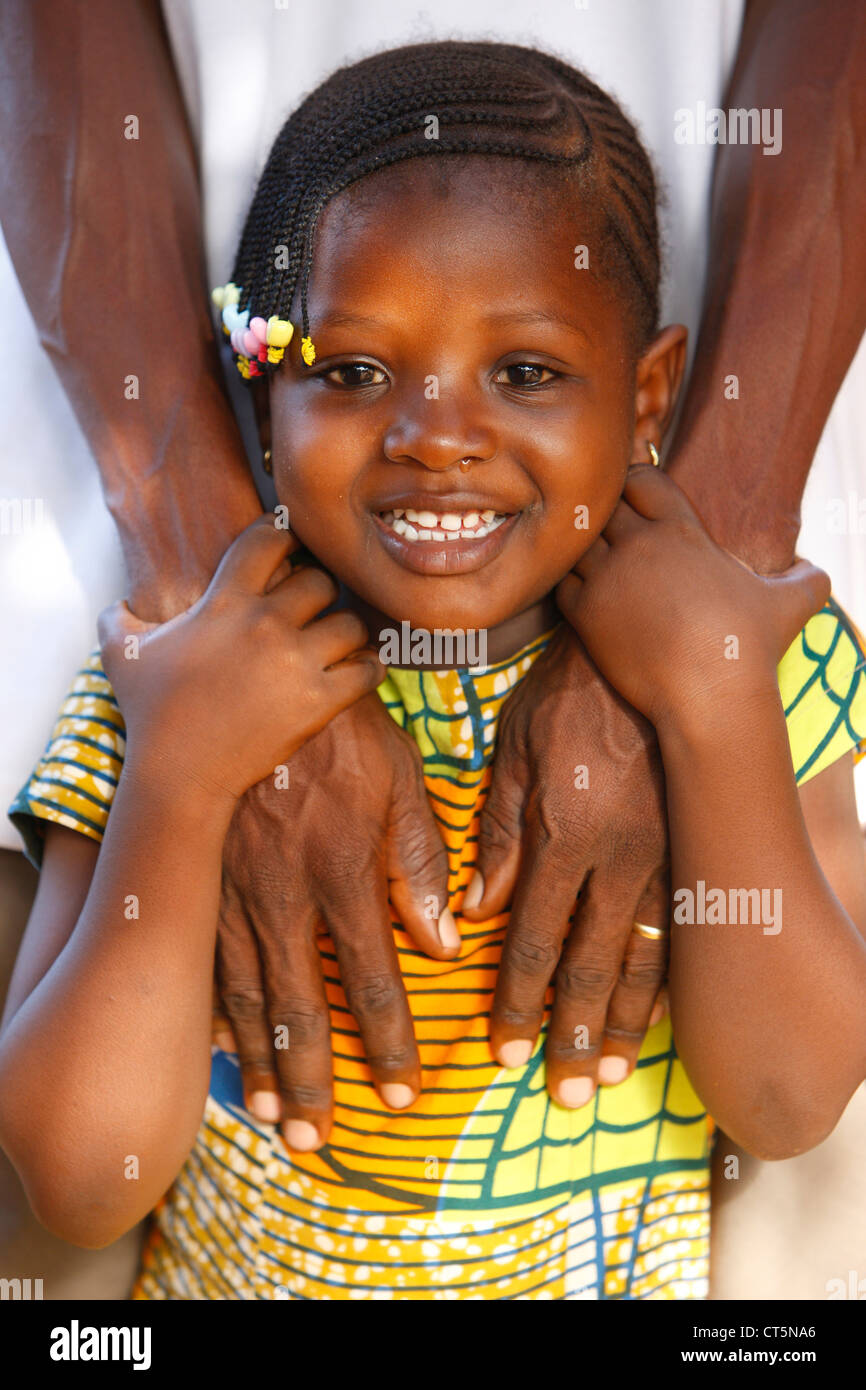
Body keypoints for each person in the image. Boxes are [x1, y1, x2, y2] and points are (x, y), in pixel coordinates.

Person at [1, 40, 864, 1301]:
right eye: (351, 373)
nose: (433, 436)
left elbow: (791, 1101)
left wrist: (713, 705)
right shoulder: (183, 679)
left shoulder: (751, 667)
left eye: (521, 372)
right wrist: (182, 779)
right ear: (260, 406)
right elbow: (78, 1180)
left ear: (646, 399)